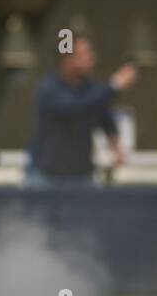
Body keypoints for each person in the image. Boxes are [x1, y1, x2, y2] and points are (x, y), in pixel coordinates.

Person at [26, 36, 136, 186]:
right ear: (68, 59)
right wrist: (114, 85)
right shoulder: (49, 89)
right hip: (46, 177)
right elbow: (74, 108)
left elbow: (102, 115)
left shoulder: (90, 87)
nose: (92, 58)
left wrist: (115, 144)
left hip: (81, 176)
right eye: (85, 54)